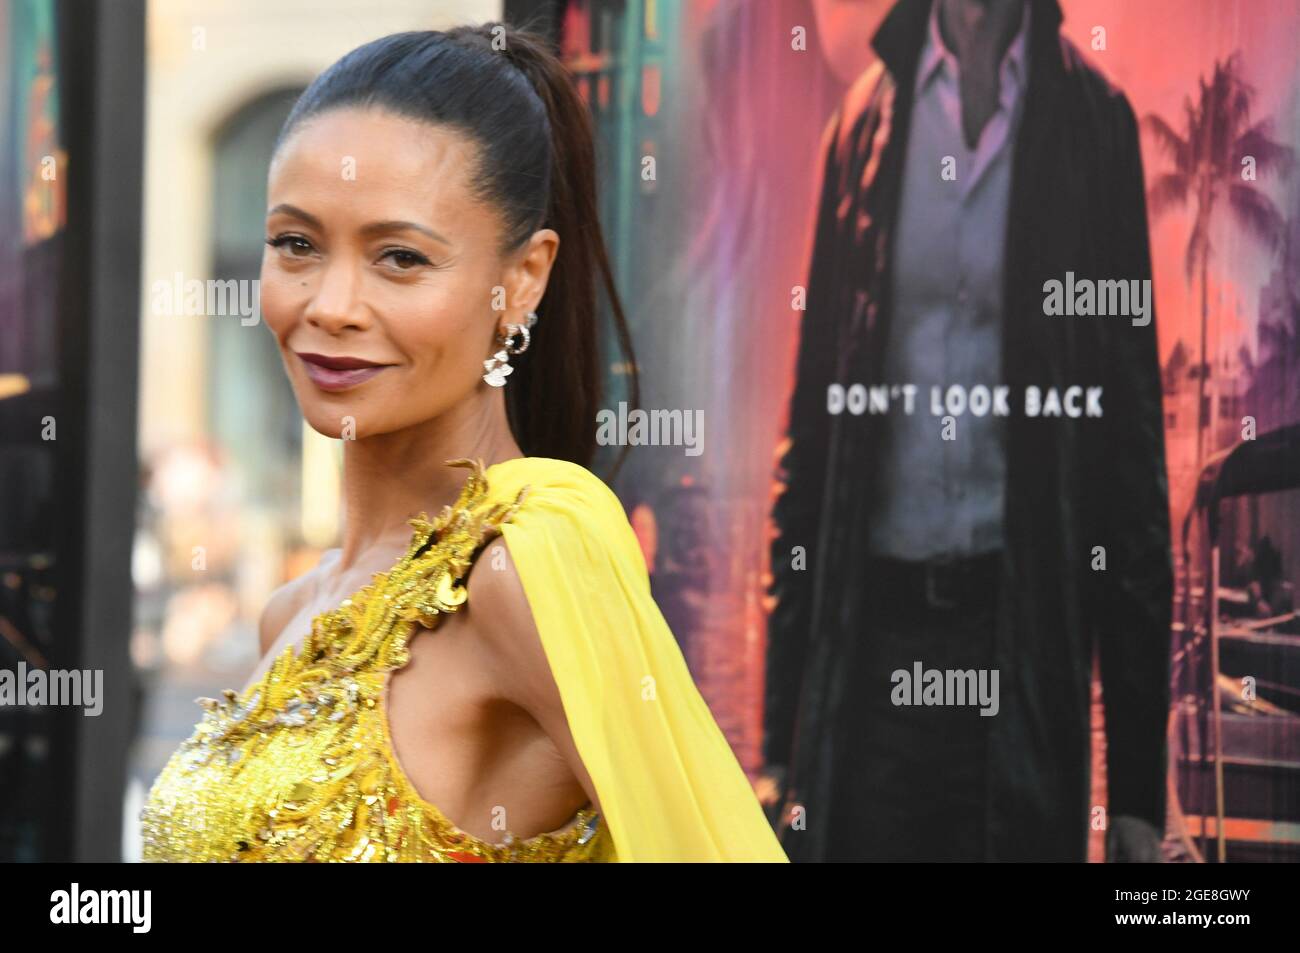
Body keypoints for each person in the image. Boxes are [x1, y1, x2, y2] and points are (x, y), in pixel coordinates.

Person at [140, 24, 787, 863]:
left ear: (522, 280)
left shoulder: (529, 555)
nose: (331, 304)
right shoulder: (287, 614)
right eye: (296, 244)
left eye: (400, 257)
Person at [762, 0, 1172, 862]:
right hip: (873, 654)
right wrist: (775, 746)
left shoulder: (1095, 126)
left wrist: (1136, 793)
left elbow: (1131, 454)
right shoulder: (863, 126)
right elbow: (813, 434)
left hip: (1020, 653)